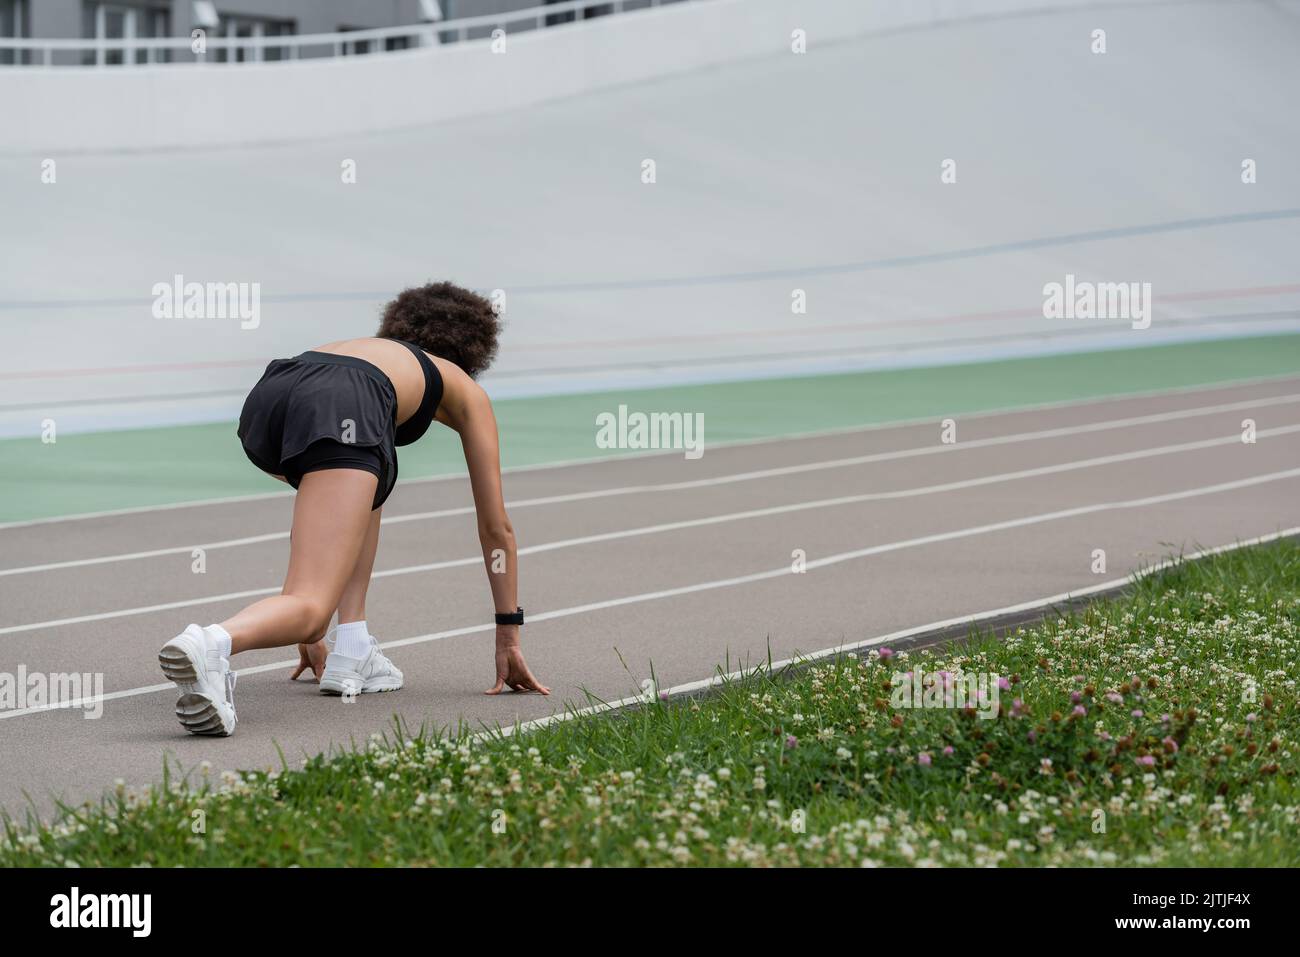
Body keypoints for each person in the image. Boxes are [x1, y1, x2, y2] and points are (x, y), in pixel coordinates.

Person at [158, 282, 548, 736]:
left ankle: (352, 648)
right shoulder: (460, 385)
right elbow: (496, 528)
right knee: (309, 606)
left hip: (274, 394)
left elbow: (323, 519)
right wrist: (508, 631)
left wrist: (309, 634)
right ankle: (212, 643)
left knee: (367, 492)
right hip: (346, 399)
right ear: (474, 350)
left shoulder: (374, 352)